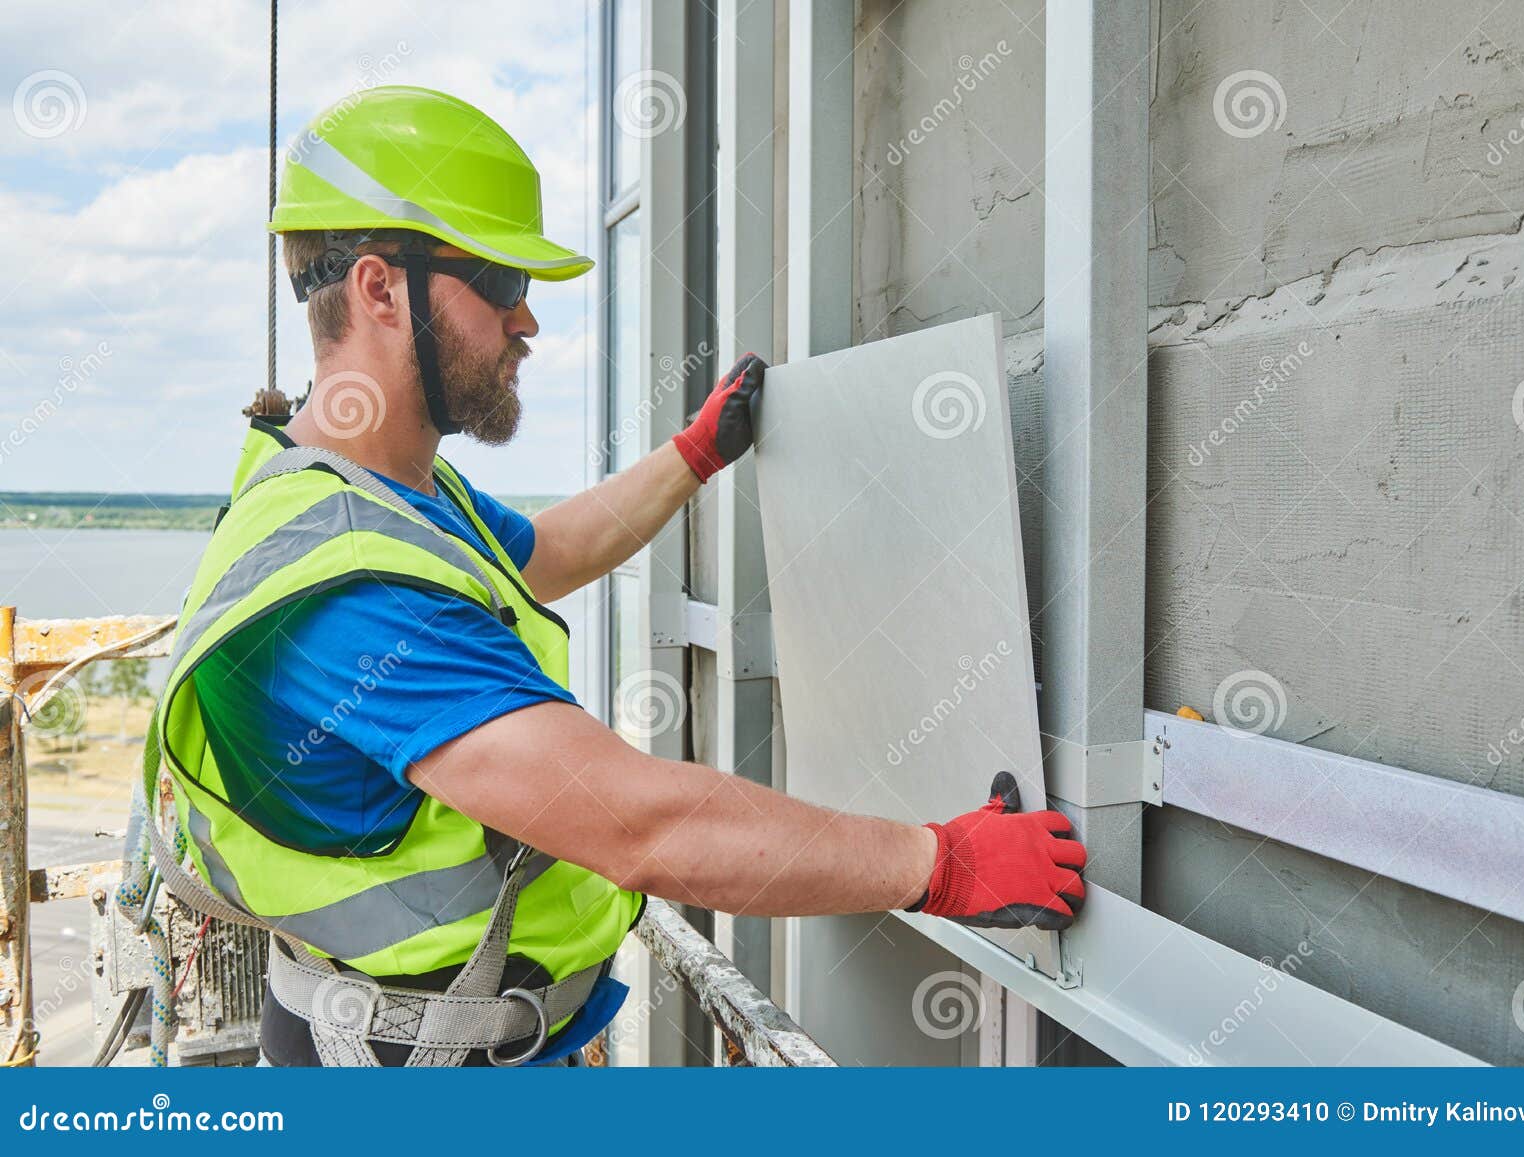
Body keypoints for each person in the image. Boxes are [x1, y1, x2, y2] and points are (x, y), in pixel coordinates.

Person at [154, 85, 1086, 1067]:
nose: (526, 320)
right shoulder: (358, 594)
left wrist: (692, 455)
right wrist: (940, 861)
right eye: (501, 278)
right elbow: (640, 824)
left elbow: (544, 552)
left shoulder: (370, 488)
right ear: (381, 290)